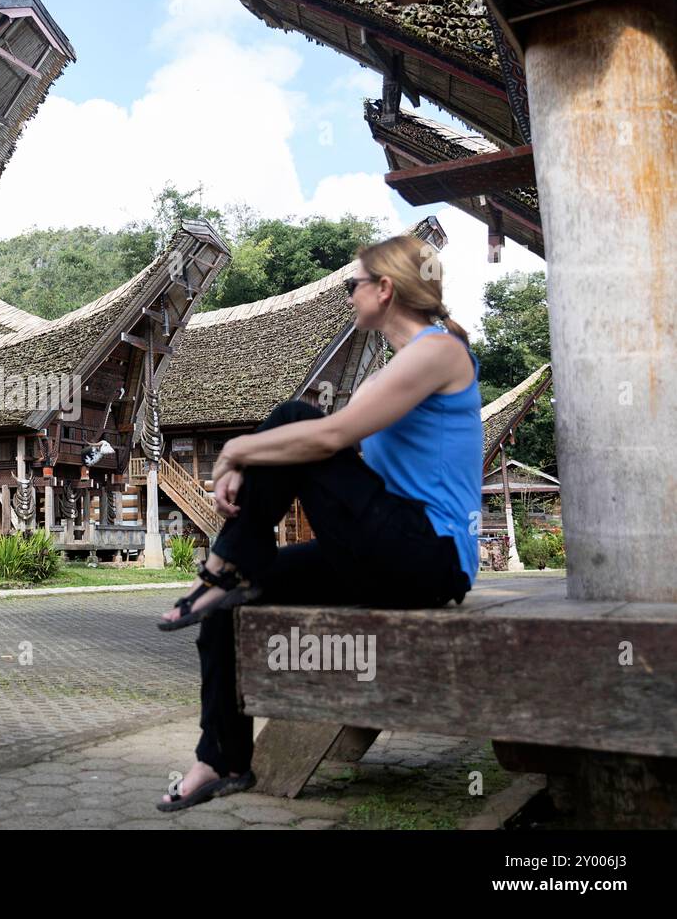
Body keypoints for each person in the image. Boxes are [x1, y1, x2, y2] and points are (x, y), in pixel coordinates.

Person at [155, 235, 481, 811]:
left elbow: (330, 436)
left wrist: (237, 452)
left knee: (296, 418)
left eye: (354, 284)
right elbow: (335, 453)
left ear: (385, 289)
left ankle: (223, 565)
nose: (348, 295)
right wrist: (256, 456)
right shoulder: (384, 377)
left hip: (430, 554)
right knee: (226, 612)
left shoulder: (441, 351)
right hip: (381, 553)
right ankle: (221, 757)